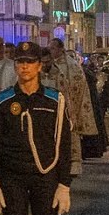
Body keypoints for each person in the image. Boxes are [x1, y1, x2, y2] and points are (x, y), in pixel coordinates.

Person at [0, 41, 72, 215]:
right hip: (12, 178)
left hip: (45, 177)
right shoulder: (3, 101)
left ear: (39, 66)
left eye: (30, 62)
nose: (24, 67)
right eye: (20, 62)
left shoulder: (54, 100)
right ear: (15, 66)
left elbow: (64, 145)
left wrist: (64, 184)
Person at [41, 38, 97, 176]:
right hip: (51, 107)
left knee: (70, 135)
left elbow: (77, 86)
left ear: (61, 49)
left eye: (53, 48)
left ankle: (73, 163)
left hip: (68, 106)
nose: (51, 51)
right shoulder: (48, 64)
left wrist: (72, 106)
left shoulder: (71, 65)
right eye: (50, 48)